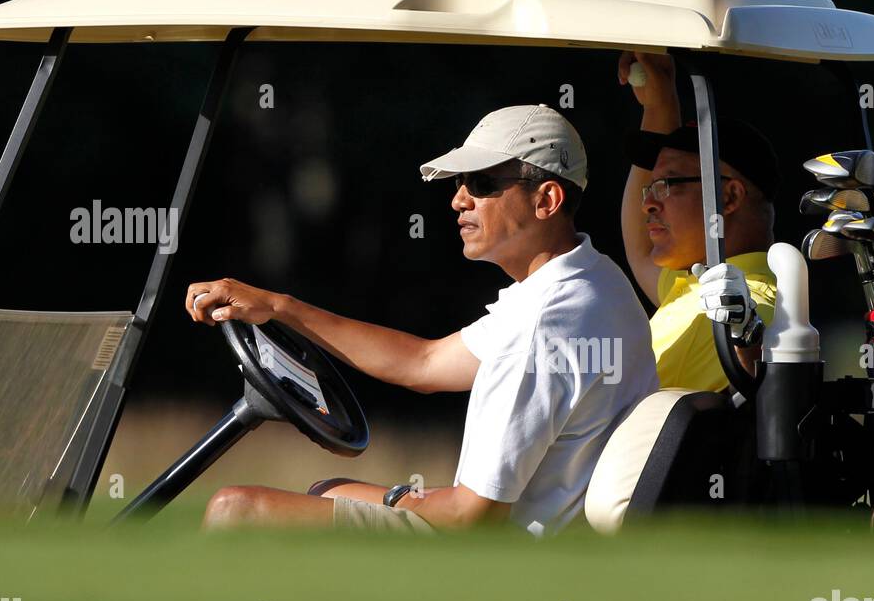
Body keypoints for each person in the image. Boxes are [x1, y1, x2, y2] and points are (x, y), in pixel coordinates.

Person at [188, 105, 657, 535]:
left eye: (481, 183)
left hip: (505, 570)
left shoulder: (540, 326)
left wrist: (400, 498)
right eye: (459, 184)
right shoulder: (592, 280)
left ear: (547, 200)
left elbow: (471, 515)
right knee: (327, 491)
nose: (458, 201)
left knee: (236, 510)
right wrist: (280, 307)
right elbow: (424, 363)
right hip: (542, 549)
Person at [616, 52, 781, 391]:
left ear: (730, 198)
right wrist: (660, 106)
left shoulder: (741, 308)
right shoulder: (703, 286)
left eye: (666, 186)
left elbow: (760, 375)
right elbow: (641, 248)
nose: (647, 203)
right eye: (650, 188)